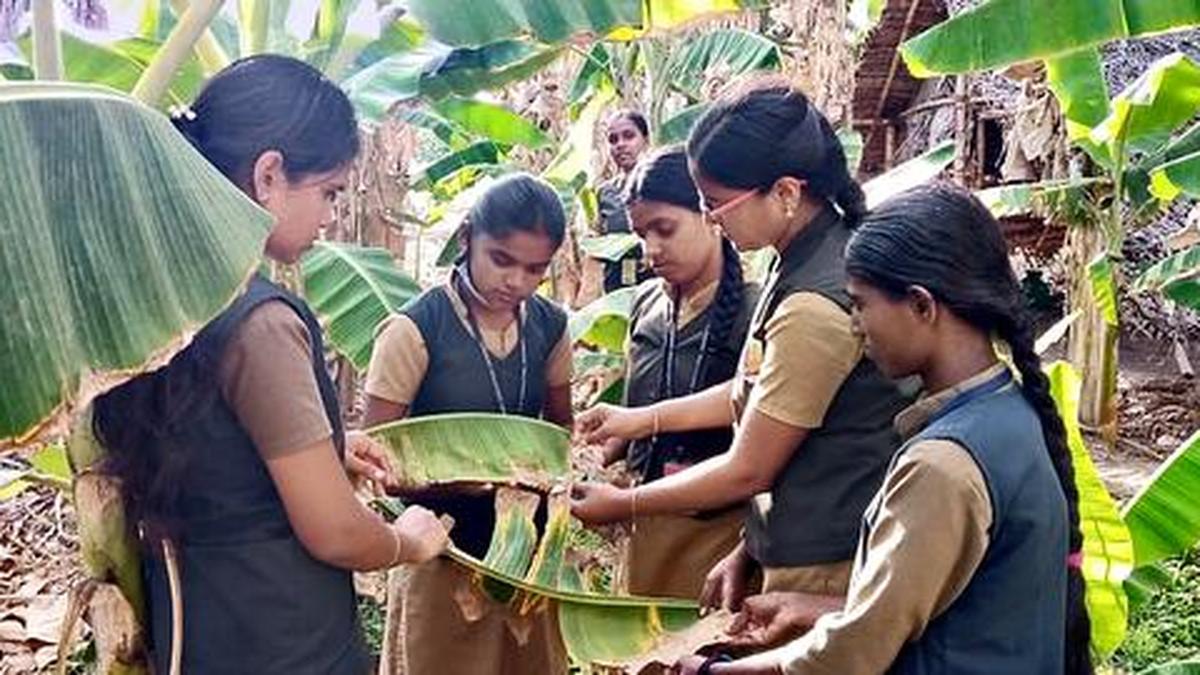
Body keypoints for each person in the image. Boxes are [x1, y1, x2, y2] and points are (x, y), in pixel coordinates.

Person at [90, 55, 449, 674]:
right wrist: (407, 541)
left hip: (199, 628)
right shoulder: (261, 322)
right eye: (329, 191)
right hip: (287, 640)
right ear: (269, 174)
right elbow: (333, 530)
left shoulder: (155, 298)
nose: (331, 215)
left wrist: (329, 447)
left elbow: (214, 454)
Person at [675, 183, 1090, 675]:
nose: (854, 324)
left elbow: (854, 655)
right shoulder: (1012, 413)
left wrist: (714, 671)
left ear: (921, 306)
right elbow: (963, 603)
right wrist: (812, 607)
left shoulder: (943, 463)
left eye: (860, 303)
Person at [571, 78, 914, 607]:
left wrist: (623, 503)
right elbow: (759, 391)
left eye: (716, 203)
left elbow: (749, 467)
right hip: (797, 545)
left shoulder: (813, 305)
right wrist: (643, 420)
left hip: (827, 563)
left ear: (785, 192)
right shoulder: (800, 260)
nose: (710, 218)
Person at [362, 172, 573, 675]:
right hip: (442, 555)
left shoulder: (550, 326)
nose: (516, 281)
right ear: (467, 239)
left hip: (529, 556)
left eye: (535, 269)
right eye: (501, 259)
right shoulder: (414, 330)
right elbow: (376, 457)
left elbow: (562, 434)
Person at [590, 147, 758, 598]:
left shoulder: (756, 309)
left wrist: (647, 420)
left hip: (717, 532)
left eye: (664, 229)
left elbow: (751, 401)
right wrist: (590, 458)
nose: (652, 250)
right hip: (643, 522)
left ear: (710, 215)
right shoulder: (645, 304)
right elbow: (633, 413)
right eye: (642, 234)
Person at [597, 109, 654, 292]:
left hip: (655, 286)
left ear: (645, 140)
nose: (620, 144)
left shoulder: (659, 182)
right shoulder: (605, 192)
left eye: (628, 136)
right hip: (616, 289)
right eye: (613, 140)